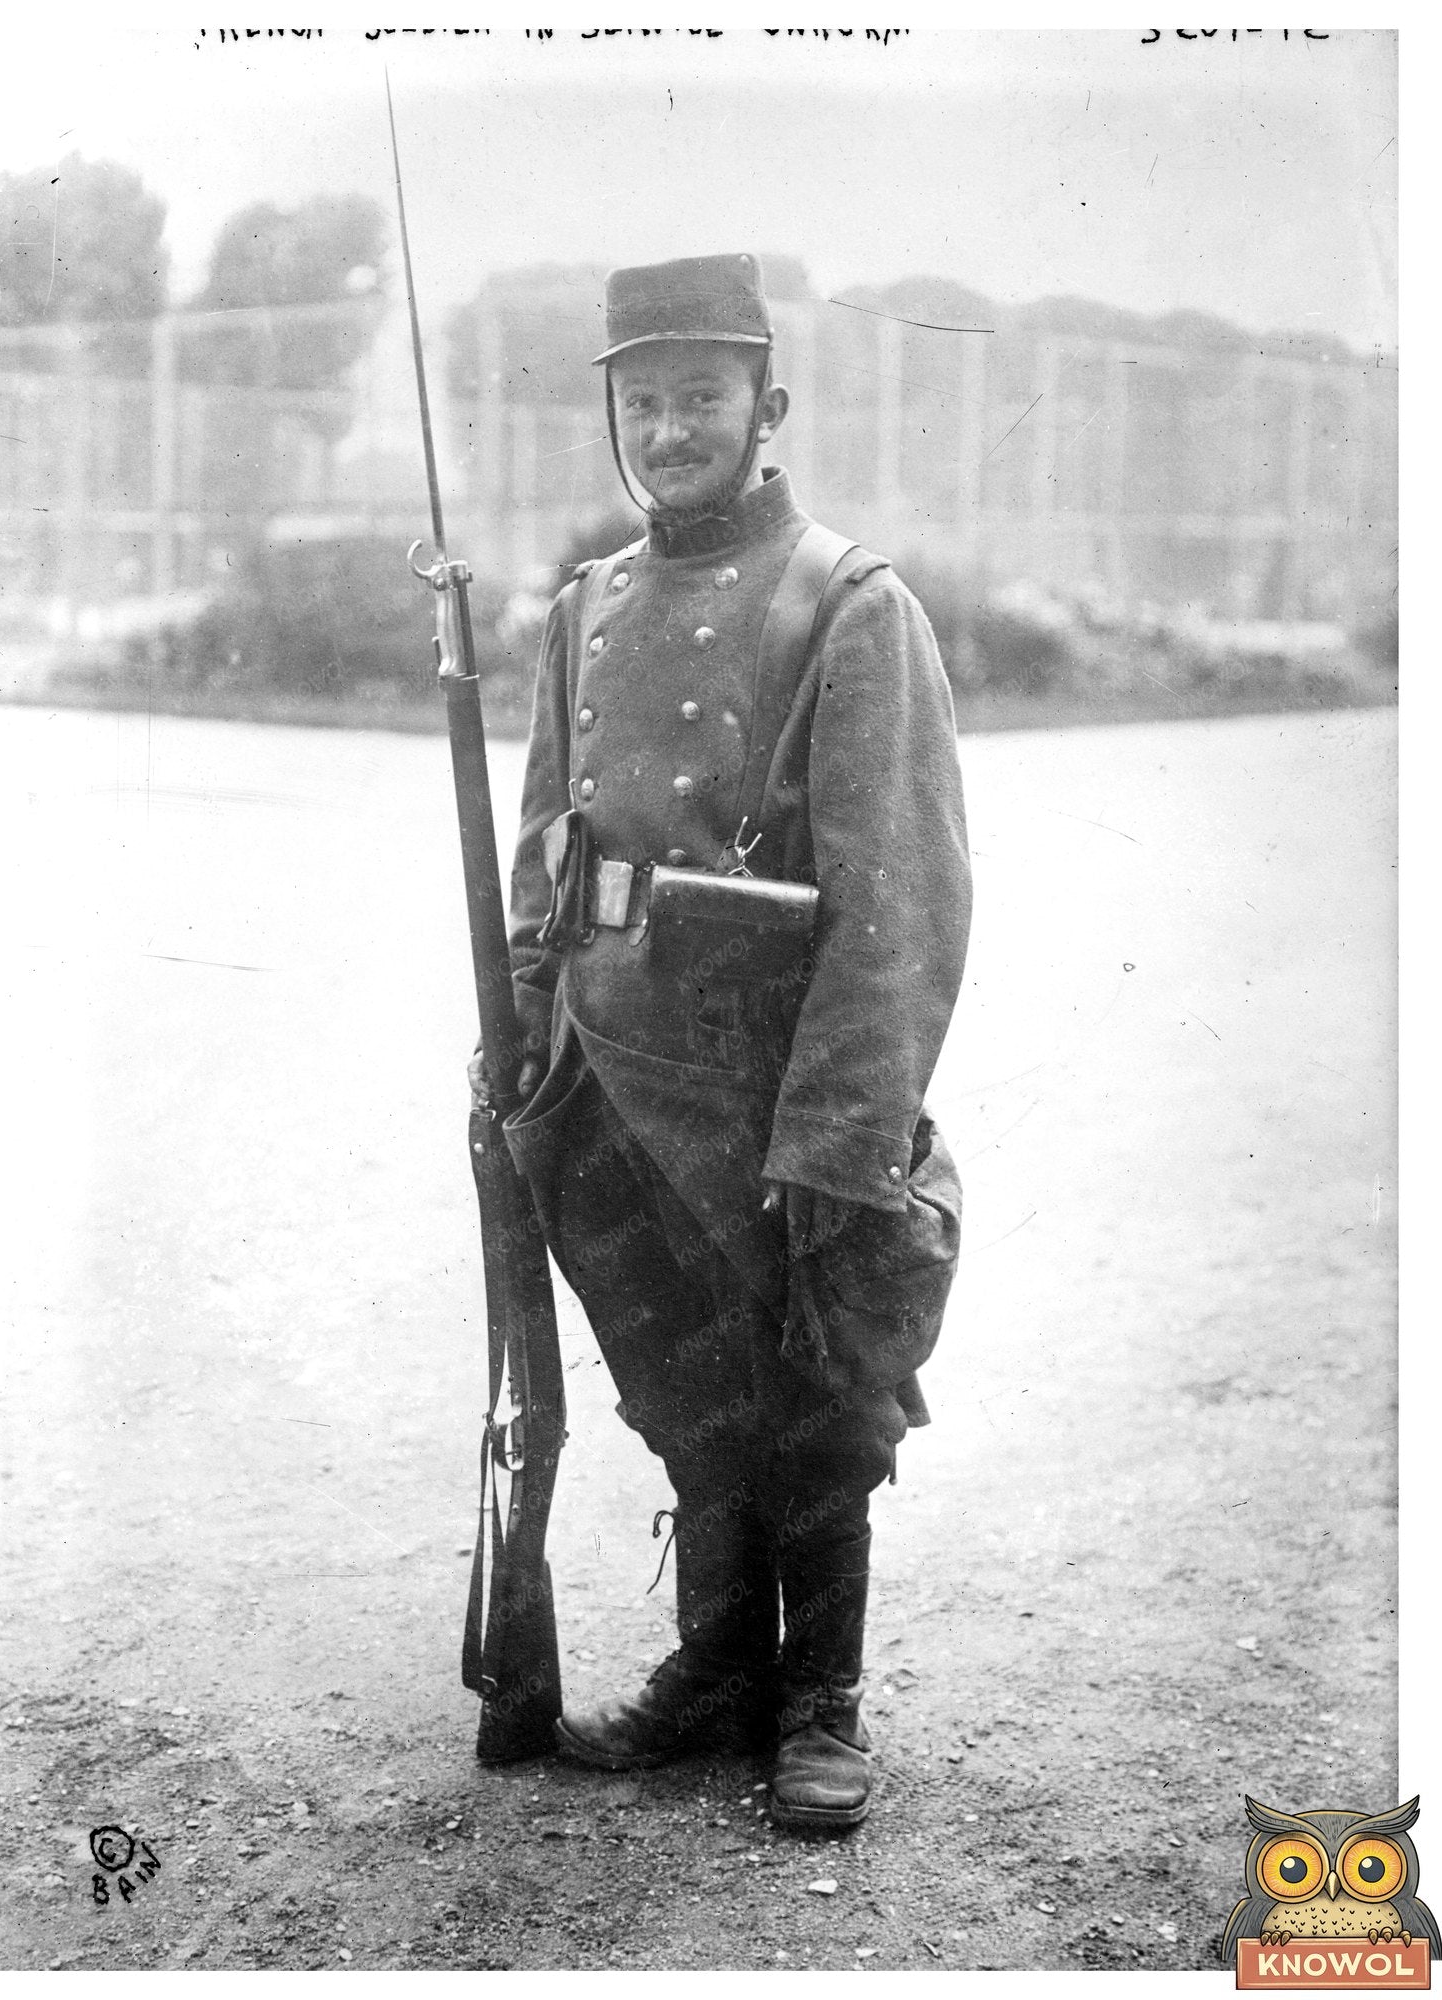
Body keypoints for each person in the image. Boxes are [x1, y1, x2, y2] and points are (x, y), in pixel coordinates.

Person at [469, 253, 972, 1832]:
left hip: (766, 1078)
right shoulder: (582, 608)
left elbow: (898, 897)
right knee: (678, 1386)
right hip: (605, 1076)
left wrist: (841, 1134)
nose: (670, 429)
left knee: (819, 1384)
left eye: (700, 398)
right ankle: (717, 1672)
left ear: (765, 407)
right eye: (642, 402)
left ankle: (817, 1698)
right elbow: (546, 861)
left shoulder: (847, 603)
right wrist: (519, 1051)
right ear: (614, 418)